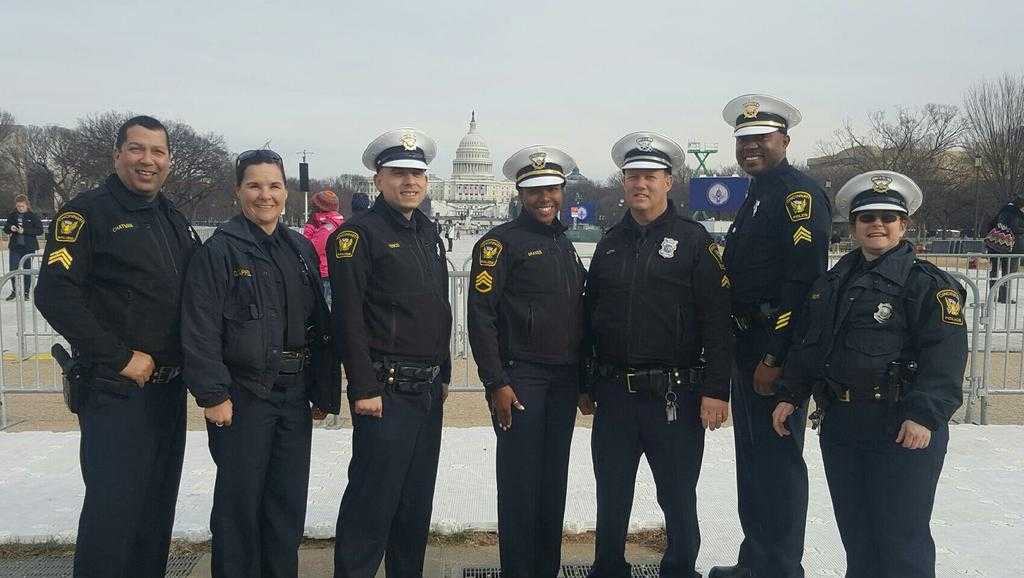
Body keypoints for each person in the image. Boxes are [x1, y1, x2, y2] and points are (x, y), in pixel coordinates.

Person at [772, 171, 967, 578]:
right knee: (857, 537)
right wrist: (790, 394)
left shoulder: (926, 284)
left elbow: (944, 357)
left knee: (901, 540)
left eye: (887, 217)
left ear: (904, 225)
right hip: (843, 426)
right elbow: (812, 345)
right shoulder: (832, 282)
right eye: (867, 218)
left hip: (900, 427)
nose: (877, 224)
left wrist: (924, 414)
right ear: (853, 225)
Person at [35, 115, 201, 577]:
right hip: (115, 390)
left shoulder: (172, 217)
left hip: (167, 392)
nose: (147, 160)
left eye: (157, 152)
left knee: (154, 513)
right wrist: (120, 356)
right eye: (137, 149)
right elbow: (54, 293)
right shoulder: (87, 213)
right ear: (117, 155)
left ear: (168, 160)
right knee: (114, 515)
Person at [181, 149, 340, 577]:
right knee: (239, 508)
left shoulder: (299, 247)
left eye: (273, 185)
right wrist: (213, 395)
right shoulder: (220, 251)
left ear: (285, 191)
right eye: (254, 185)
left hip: (294, 394)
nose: (265, 195)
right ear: (238, 192)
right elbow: (199, 329)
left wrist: (323, 389)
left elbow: (318, 325)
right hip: (244, 396)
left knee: (286, 505)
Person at [584, 132, 733, 578]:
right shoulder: (609, 243)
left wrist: (716, 391)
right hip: (614, 393)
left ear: (669, 181)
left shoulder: (694, 242)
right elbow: (592, 319)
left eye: (650, 175)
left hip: (676, 395)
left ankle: (680, 570)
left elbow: (718, 321)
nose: (640, 185)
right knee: (611, 493)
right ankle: (608, 567)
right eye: (632, 176)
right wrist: (586, 384)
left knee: (677, 495)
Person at [712, 95, 832, 578]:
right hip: (748, 343)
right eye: (743, 140)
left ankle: (781, 568)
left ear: (785, 140)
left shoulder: (798, 195)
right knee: (753, 460)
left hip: (773, 349)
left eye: (761, 138)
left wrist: (775, 355)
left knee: (779, 464)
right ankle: (755, 560)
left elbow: (801, 284)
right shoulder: (758, 194)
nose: (750, 147)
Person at [329, 128, 452, 578]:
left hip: (424, 390)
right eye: (399, 172)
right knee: (371, 501)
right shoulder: (358, 235)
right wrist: (362, 386)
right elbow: (348, 319)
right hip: (385, 387)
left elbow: (437, 310)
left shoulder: (426, 232)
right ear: (378, 179)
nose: (410, 182)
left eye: (417, 174)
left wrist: (442, 375)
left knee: (414, 503)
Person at [467, 145, 587, 578]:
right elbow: (480, 316)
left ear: (562, 190)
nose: (544, 198)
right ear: (520, 192)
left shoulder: (563, 242)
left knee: (553, 483)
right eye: (534, 190)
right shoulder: (499, 243)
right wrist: (495, 381)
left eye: (552, 189)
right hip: (521, 380)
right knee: (519, 485)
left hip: (562, 380)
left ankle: (546, 569)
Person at [303, 189, 344, 307]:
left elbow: (310, 249)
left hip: (324, 272)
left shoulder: (327, 228)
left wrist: (310, 228)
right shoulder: (333, 224)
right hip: (329, 271)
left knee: (324, 307)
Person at [983, 194, 1024, 303]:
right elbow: (1015, 228)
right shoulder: (1016, 213)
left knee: (994, 271)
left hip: (995, 246)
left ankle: (992, 295)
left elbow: (991, 224)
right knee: (1008, 273)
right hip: (1011, 248)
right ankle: (1003, 297)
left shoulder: (1004, 209)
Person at [3, 194, 44, 299]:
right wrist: (10, 227)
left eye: (22, 206)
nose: (20, 208)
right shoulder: (12, 215)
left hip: (28, 247)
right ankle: (15, 291)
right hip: (15, 247)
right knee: (13, 269)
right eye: (18, 206)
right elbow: (6, 228)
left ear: (26, 205)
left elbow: (40, 230)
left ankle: (26, 292)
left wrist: (25, 231)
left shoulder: (32, 216)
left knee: (27, 269)